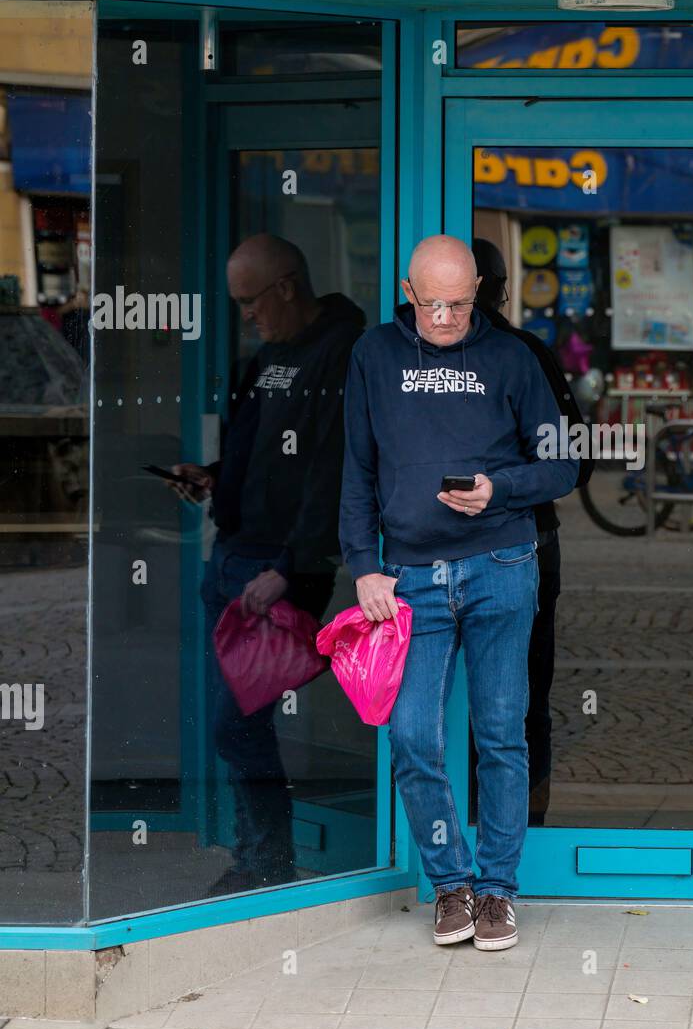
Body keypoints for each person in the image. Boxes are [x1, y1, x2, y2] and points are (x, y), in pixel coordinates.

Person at [339, 234, 579, 951]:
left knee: (501, 735)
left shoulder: (511, 357)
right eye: (433, 304)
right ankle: (451, 884)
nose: (445, 318)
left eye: (461, 304)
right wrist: (363, 565)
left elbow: (562, 466)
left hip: (501, 566)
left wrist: (498, 489)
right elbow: (356, 469)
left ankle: (498, 892)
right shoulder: (375, 355)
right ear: (407, 293)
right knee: (412, 734)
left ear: (480, 292)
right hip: (407, 579)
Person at [169, 233, 365, 895]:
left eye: (252, 300)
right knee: (229, 723)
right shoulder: (272, 353)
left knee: (237, 721)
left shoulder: (338, 353)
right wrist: (215, 478)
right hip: (232, 556)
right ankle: (256, 852)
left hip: (278, 570)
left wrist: (291, 565)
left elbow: (329, 472)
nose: (247, 315)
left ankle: (266, 860)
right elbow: (262, 454)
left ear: (286, 286)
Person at [471, 238, 593, 825]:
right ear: (501, 289)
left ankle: (490, 836)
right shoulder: (527, 352)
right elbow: (578, 458)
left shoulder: (521, 354)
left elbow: (571, 460)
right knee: (520, 700)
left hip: (516, 552)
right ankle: (524, 834)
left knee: (497, 699)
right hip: (524, 551)